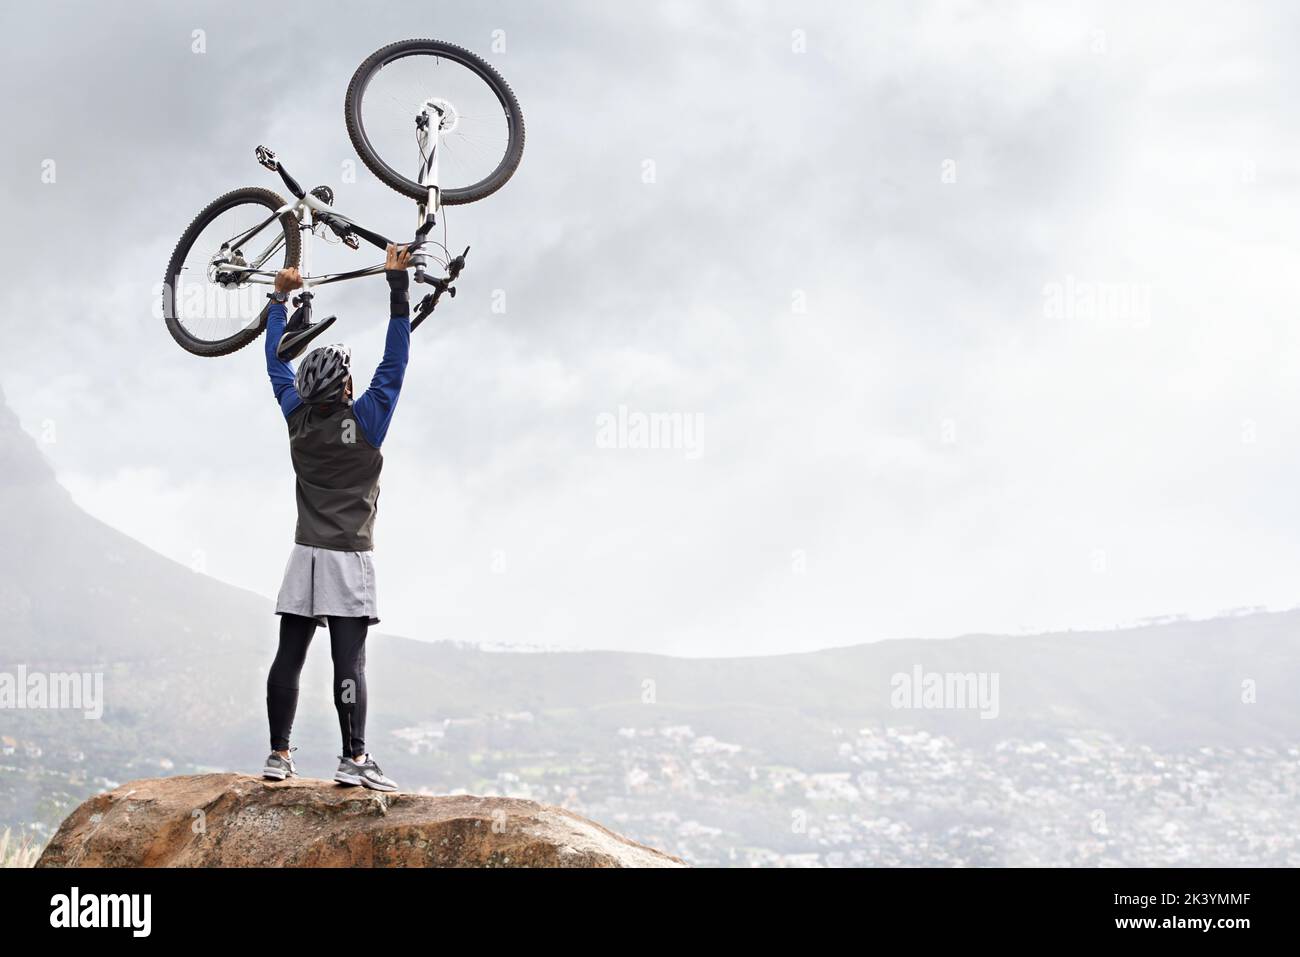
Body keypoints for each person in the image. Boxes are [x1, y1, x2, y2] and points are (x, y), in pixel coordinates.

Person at [259, 243, 413, 792]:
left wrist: (279, 300)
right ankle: (354, 758)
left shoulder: (295, 417)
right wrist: (397, 284)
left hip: (305, 554)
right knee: (349, 662)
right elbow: (395, 363)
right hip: (348, 556)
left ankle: (278, 754)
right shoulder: (366, 422)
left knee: (290, 656)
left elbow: (275, 362)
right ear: (347, 388)